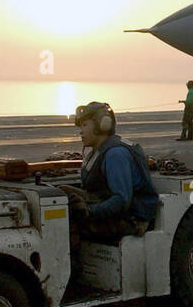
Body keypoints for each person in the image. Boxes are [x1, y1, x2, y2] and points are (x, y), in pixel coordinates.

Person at [62, 102, 160, 249]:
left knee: (63, 224)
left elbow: (121, 201)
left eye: (84, 125)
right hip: (115, 209)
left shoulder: (115, 154)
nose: (80, 132)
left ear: (102, 125)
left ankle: (74, 268)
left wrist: (89, 212)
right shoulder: (99, 151)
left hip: (130, 219)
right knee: (62, 193)